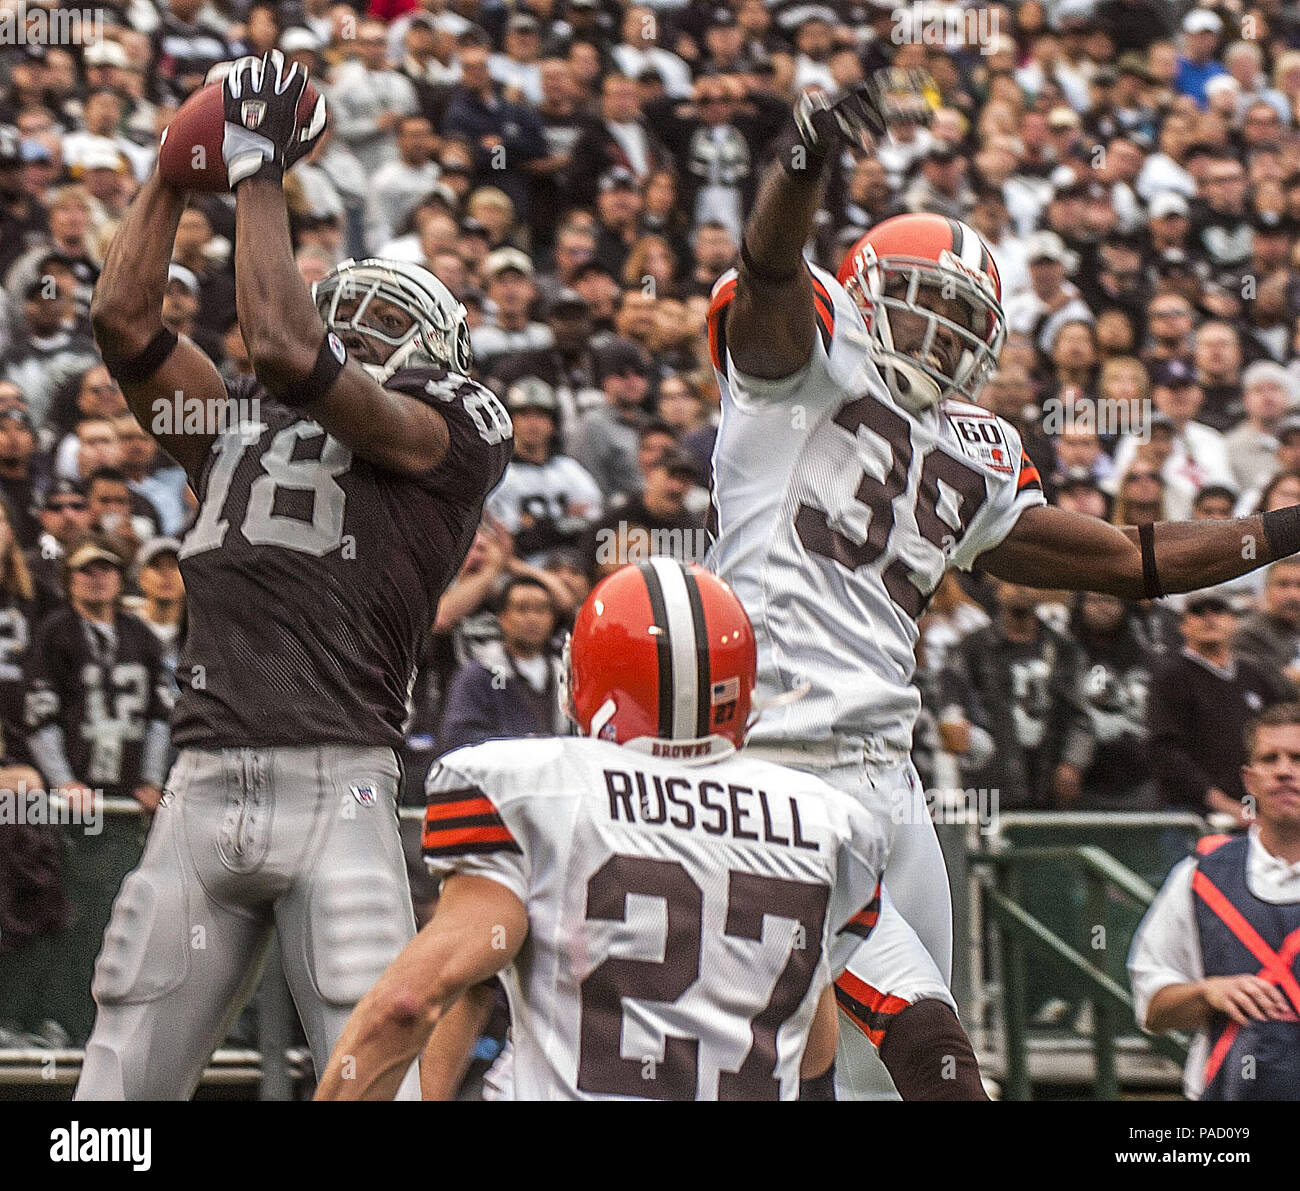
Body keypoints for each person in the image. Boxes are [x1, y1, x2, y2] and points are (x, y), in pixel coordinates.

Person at [705, 75, 1300, 1101]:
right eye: (921, 304)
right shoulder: (796, 368)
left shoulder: (975, 453)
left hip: (887, 770)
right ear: (856, 291)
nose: (937, 334)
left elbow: (1132, 559)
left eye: (958, 317)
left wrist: (1288, 528)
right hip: (778, 759)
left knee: (886, 1071)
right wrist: (802, 162)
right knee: (926, 1059)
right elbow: (765, 265)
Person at [73, 52, 512, 1101]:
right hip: (198, 785)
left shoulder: (450, 433)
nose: (362, 329)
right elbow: (125, 326)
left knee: (376, 1086)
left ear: (444, 356)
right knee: (113, 1101)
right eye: (349, 309)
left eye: (390, 322)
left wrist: (258, 166)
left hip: (341, 784)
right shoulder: (228, 429)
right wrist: (174, 177)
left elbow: (282, 342)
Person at [315, 561, 889, 1101]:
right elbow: (813, 1053)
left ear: (585, 680)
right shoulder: (824, 821)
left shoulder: (532, 789)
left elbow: (410, 1002)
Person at [1128, 702, 1300, 1100]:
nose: (1284, 770)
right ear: (1250, 779)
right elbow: (1152, 1007)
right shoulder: (1200, 878)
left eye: (1297, 758)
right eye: (1269, 759)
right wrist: (1208, 992)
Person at [23, 539, 170, 808]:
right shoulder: (53, 634)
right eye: (86, 571)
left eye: (106, 569)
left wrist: (152, 779)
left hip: (133, 793)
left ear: (120, 578)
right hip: (71, 795)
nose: (97, 578)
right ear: (69, 580)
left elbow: (160, 717)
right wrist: (64, 782)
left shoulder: (142, 636)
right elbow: (40, 715)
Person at [1148, 594, 1294, 825]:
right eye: (1198, 612)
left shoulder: (1253, 674)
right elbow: (1165, 750)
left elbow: (1282, 734)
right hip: (1191, 816)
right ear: (1183, 626)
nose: (1209, 618)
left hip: (1255, 811)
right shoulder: (1170, 677)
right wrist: (1224, 805)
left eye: (1218, 611)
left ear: (1234, 622)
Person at [437, 574, 564, 755]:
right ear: (502, 617)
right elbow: (458, 736)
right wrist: (525, 746)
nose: (532, 618)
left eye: (541, 610)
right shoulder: (479, 674)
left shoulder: (566, 674)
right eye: (522, 609)